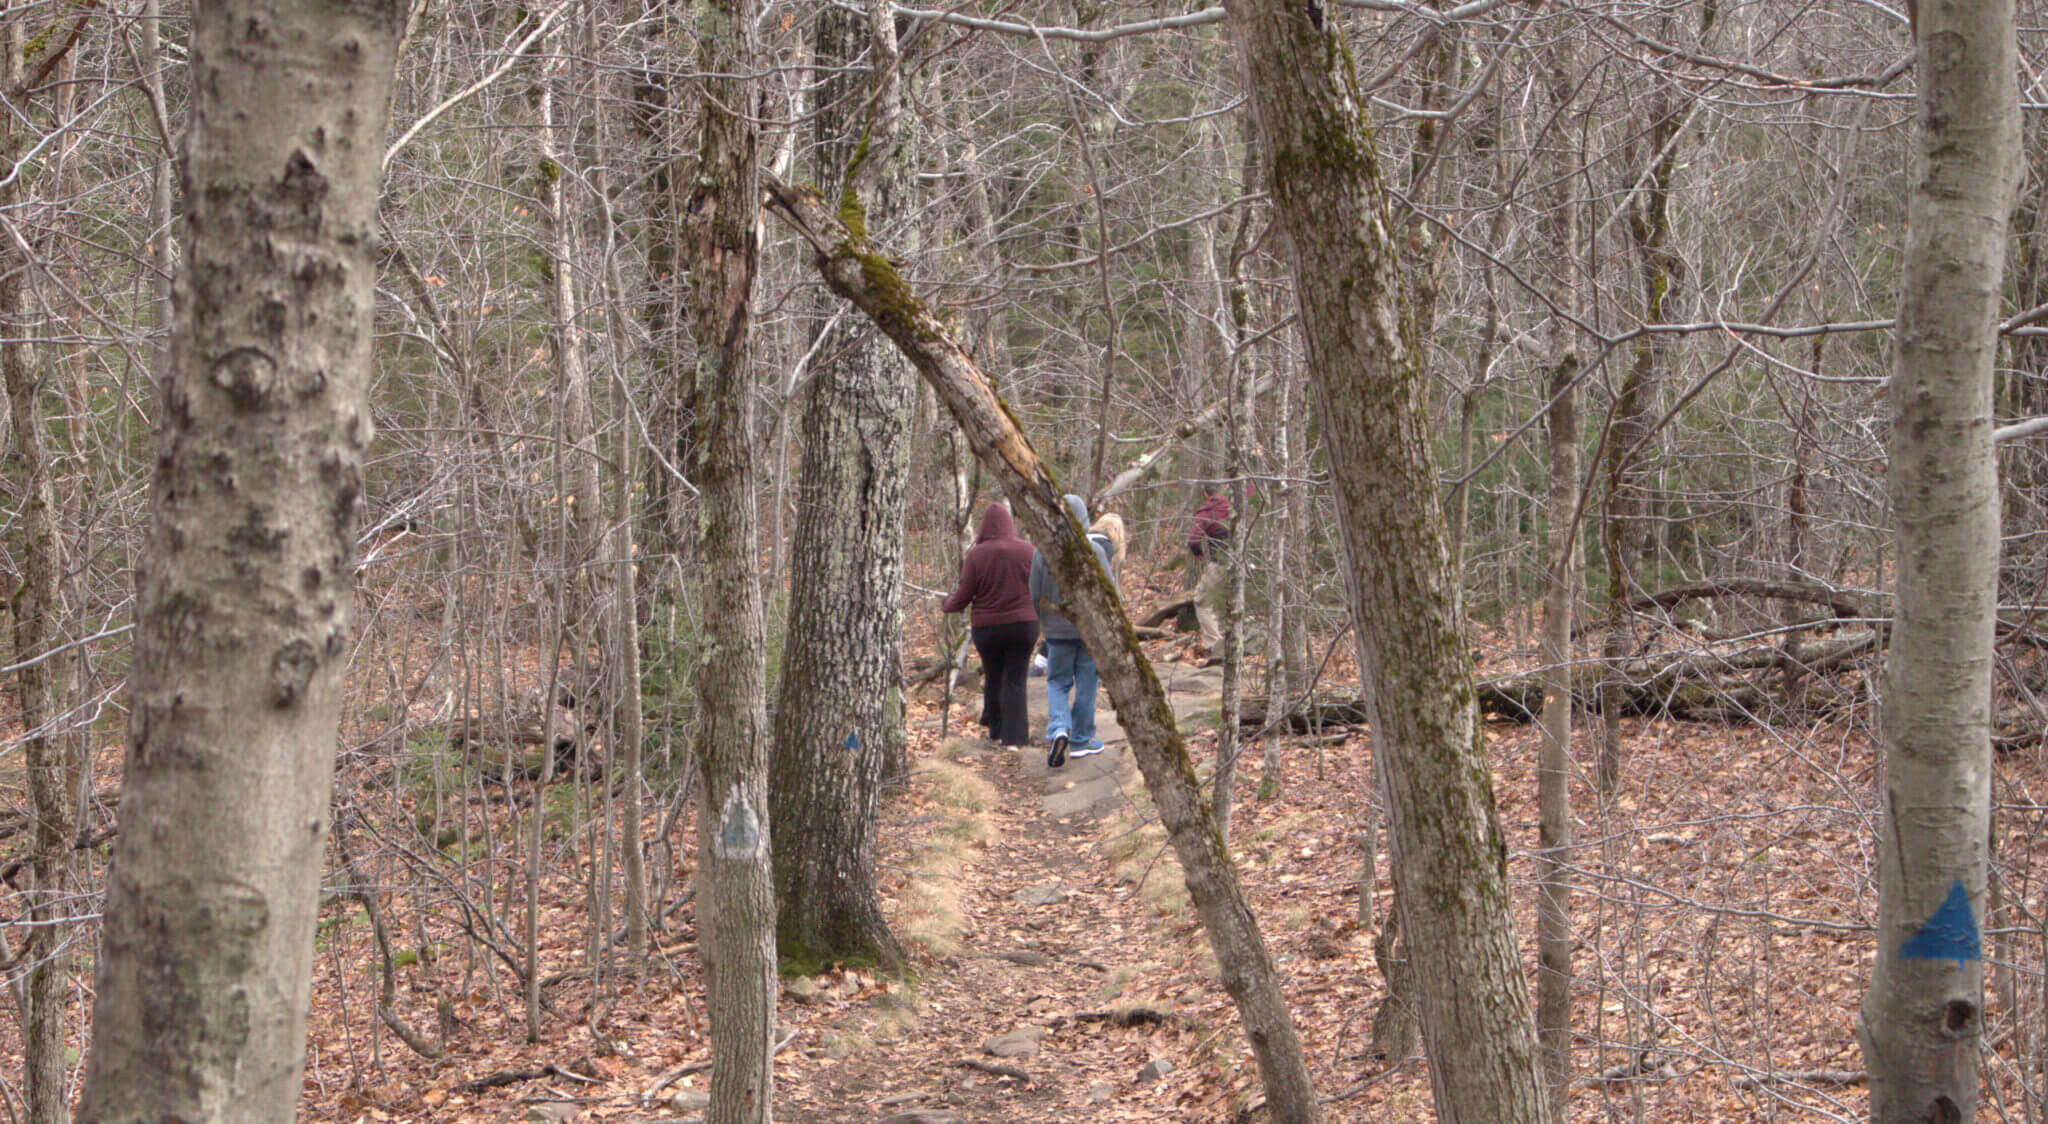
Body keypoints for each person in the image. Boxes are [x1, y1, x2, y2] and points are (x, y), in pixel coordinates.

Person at [1030, 494, 1117, 767]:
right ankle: (1081, 740)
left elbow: (1034, 592)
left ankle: (1058, 728)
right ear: (1083, 520)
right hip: (1089, 631)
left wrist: (1043, 622)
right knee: (1087, 682)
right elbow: (1110, 592)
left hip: (1057, 631)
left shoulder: (1042, 551)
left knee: (1057, 682)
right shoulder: (1096, 551)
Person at [941, 502, 1038, 746]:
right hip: (1023, 625)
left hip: (988, 629)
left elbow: (963, 596)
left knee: (994, 676)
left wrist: (946, 604)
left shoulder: (976, 555)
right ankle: (1016, 738)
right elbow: (1038, 589)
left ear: (984, 527)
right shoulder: (1028, 551)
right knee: (1015, 679)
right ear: (1010, 524)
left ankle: (995, 731)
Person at [1187, 484, 1231, 662]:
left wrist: (1198, 553)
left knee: (1201, 600)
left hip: (1221, 562)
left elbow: (1193, 540)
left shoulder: (1207, 510)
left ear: (1205, 494)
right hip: (1244, 563)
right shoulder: (1233, 505)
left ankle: (1215, 647)